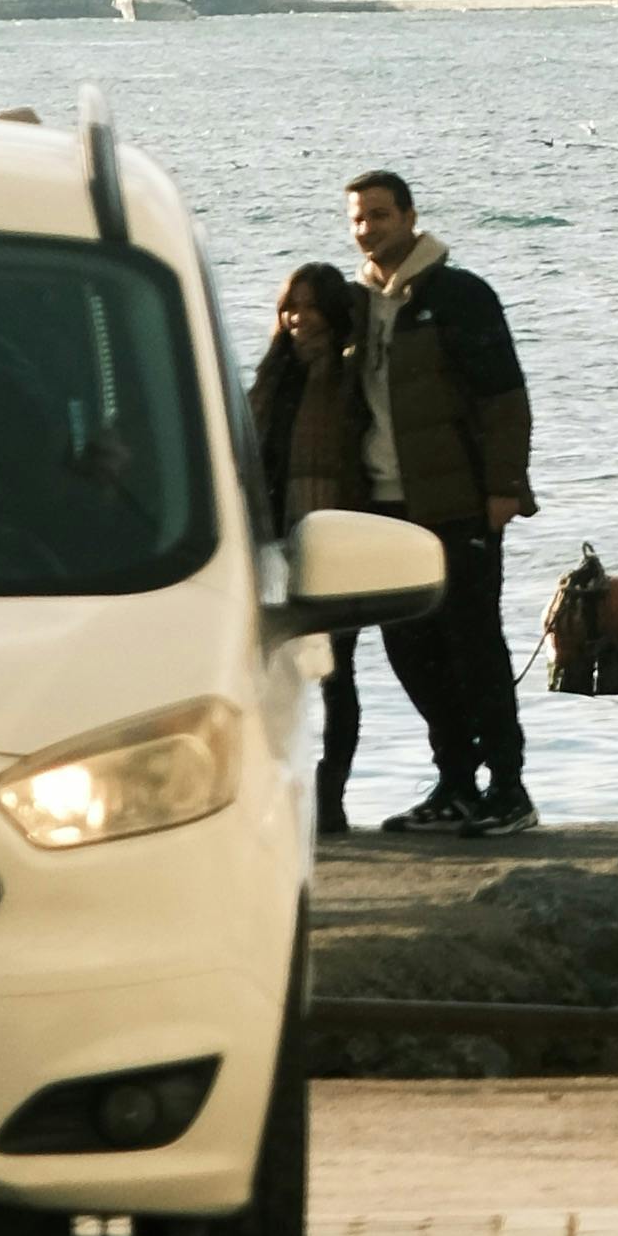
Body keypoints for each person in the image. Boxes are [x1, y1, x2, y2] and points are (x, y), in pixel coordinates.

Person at [342, 166, 541, 842]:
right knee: (409, 650)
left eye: (380, 215)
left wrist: (504, 490)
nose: (368, 229)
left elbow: (505, 400)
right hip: (383, 507)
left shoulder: (460, 295)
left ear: (410, 217)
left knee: (474, 646)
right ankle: (455, 782)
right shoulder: (355, 306)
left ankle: (509, 788)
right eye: (358, 218)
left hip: (457, 504)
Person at [249, 261, 369, 844]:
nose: (299, 318)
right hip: (269, 539)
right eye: (290, 307)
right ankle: (273, 792)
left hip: (331, 538)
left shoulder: (350, 376)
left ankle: (331, 795)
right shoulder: (273, 375)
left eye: (311, 306)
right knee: (270, 670)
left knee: (336, 674)